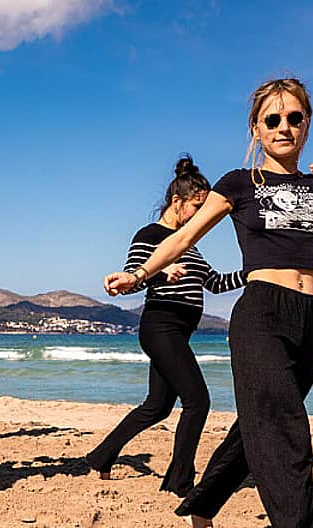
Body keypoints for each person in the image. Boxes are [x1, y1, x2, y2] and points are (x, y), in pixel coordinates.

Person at [104, 77, 313, 528]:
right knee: (288, 431)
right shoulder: (238, 183)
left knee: (257, 429)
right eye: (274, 119)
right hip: (261, 315)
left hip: (311, 315)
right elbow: (184, 236)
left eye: (295, 118)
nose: (285, 127)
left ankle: (201, 506)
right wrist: (140, 276)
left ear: (308, 124)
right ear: (256, 128)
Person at [86, 156, 245, 498]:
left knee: (157, 406)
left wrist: (253, 274)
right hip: (160, 327)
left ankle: (100, 457)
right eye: (197, 207)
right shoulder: (151, 236)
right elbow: (132, 279)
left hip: (177, 332)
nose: (203, 215)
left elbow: (215, 283)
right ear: (178, 202)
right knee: (198, 402)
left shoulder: (191, 244)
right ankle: (180, 481)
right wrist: (160, 270)